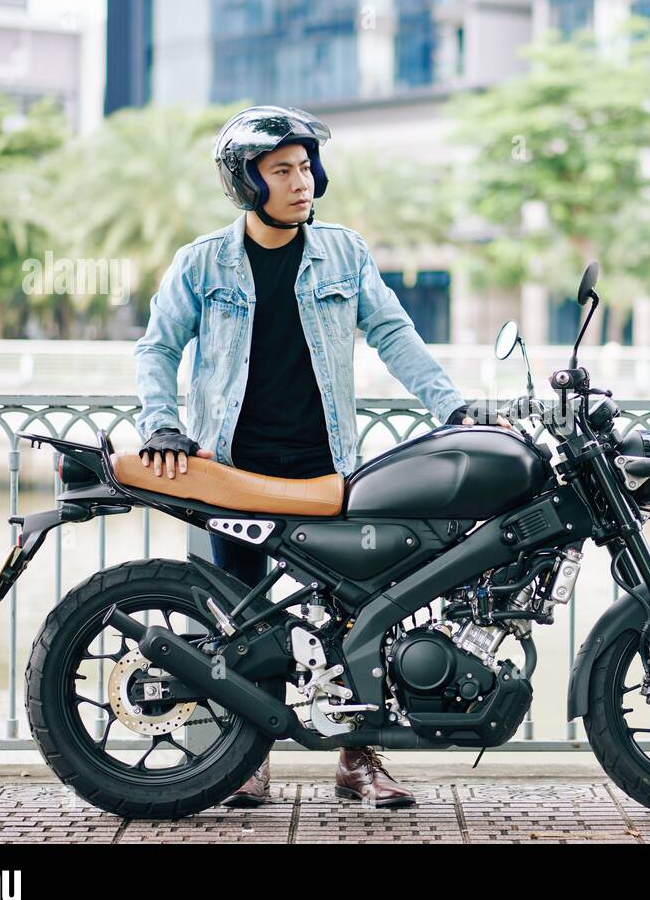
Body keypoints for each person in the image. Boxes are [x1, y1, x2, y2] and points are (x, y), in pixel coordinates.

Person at [133, 105, 500, 810]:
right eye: (282, 171)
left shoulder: (344, 253)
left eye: (306, 168)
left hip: (326, 471)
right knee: (241, 623)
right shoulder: (203, 263)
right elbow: (156, 346)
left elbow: (394, 334)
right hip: (235, 475)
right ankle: (246, 762)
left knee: (360, 614)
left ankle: (358, 762)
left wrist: (451, 407)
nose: (301, 183)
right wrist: (161, 422)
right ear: (247, 184)